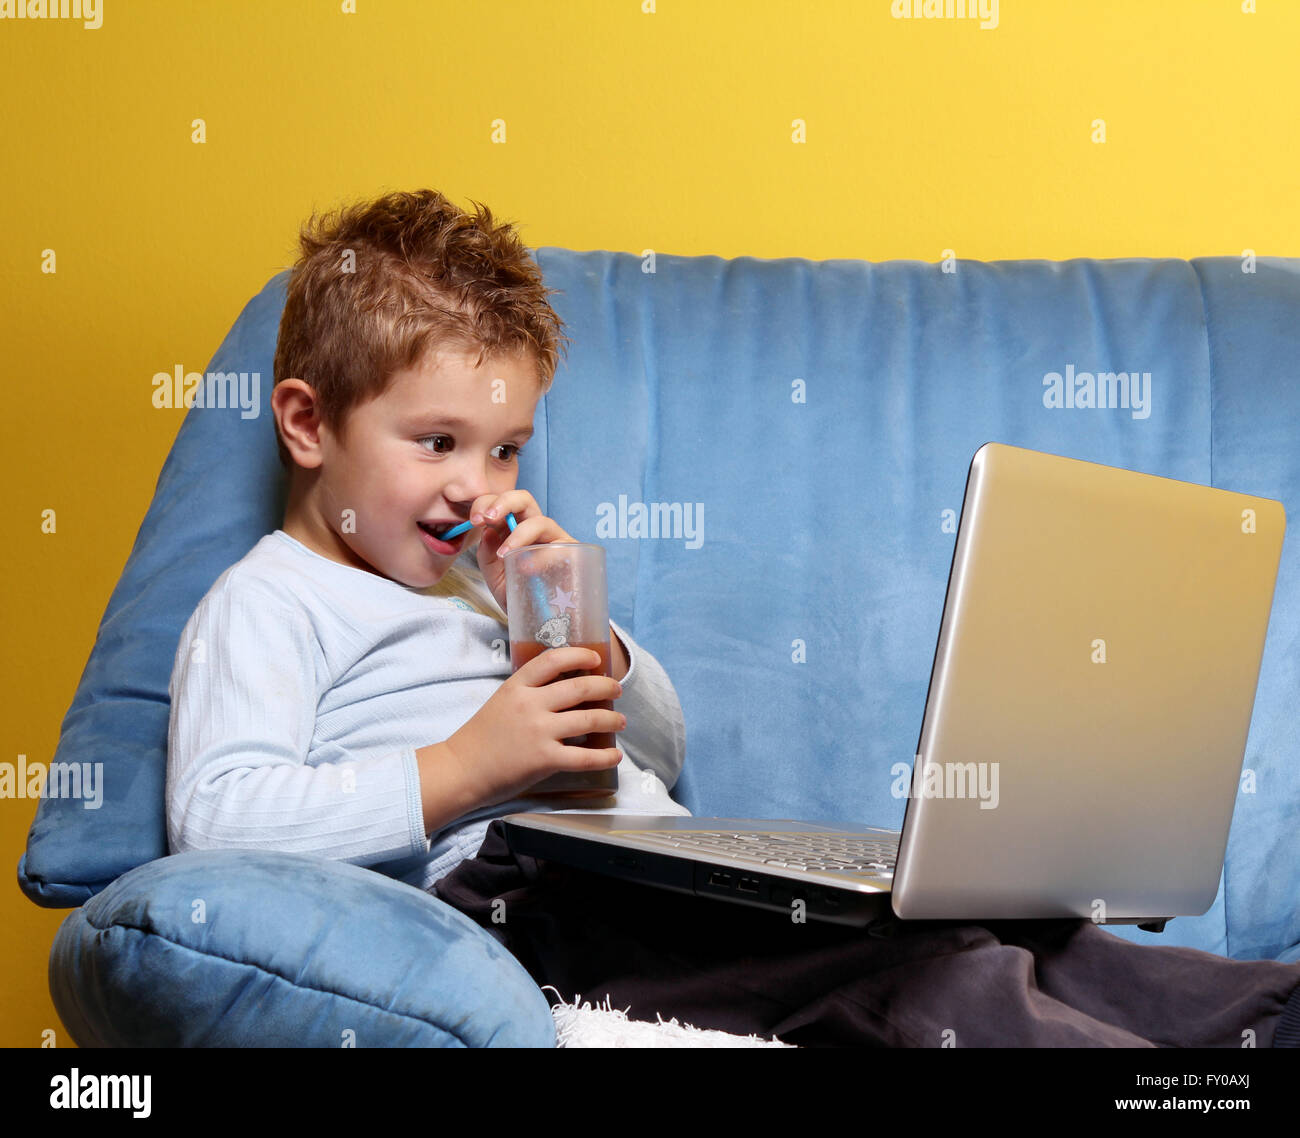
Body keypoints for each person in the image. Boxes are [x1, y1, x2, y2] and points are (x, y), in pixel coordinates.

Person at [167, 188, 1300, 1048]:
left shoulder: (481, 585)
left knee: (991, 927)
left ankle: (1256, 1010)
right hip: (519, 899)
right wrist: (465, 765)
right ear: (309, 426)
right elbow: (217, 830)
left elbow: (653, 751)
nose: (479, 484)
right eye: (436, 443)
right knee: (919, 979)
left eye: (505, 445)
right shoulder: (270, 602)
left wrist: (589, 642)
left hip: (643, 859)